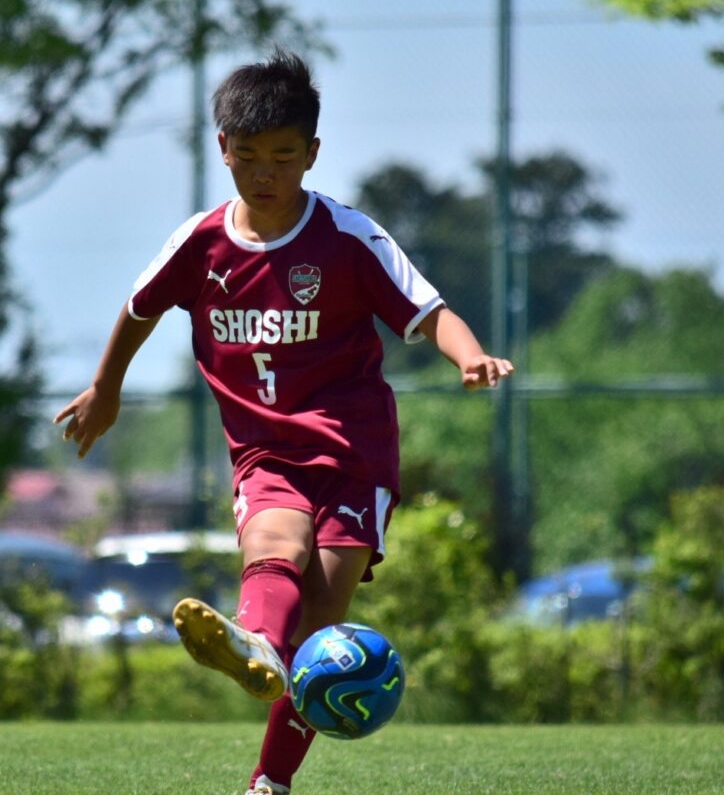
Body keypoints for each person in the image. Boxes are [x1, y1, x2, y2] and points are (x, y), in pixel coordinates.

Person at [55, 50, 513, 795]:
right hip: (264, 451)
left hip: (355, 453)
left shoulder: (346, 235)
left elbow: (427, 310)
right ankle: (255, 646)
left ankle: (272, 776)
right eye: (248, 157)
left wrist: (470, 355)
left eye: (282, 156)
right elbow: (138, 309)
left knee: (326, 622)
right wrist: (105, 388)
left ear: (312, 154)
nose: (264, 172)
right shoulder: (199, 244)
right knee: (275, 538)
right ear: (222, 149)